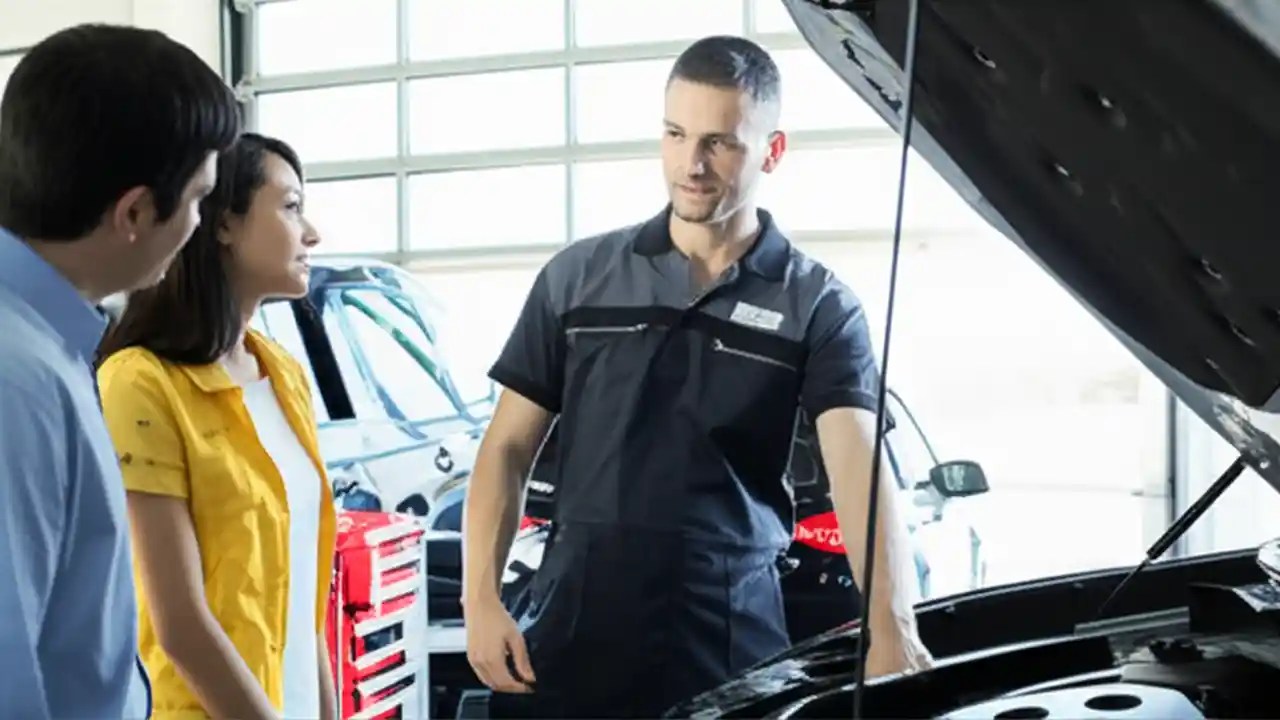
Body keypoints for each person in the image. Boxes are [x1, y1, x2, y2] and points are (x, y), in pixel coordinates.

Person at [463, 35, 933, 718]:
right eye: (676, 134)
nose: (692, 164)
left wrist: (893, 630)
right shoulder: (577, 279)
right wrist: (480, 599)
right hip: (573, 632)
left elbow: (860, 467)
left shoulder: (817, 305)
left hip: (732, 640)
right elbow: (505, 447)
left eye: (722, 143)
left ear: (772, 151)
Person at [0, 24, 240, 720]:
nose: (198, 225)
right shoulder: (19, 382)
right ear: (134, 211)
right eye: (198, 199)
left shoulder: (50, 346)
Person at [95, 133, 335, 720]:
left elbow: (302, 596)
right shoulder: (140, 382)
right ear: (223, 223)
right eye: (290, 206)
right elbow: (180, 624)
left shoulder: (282, 374)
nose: (312, 233)